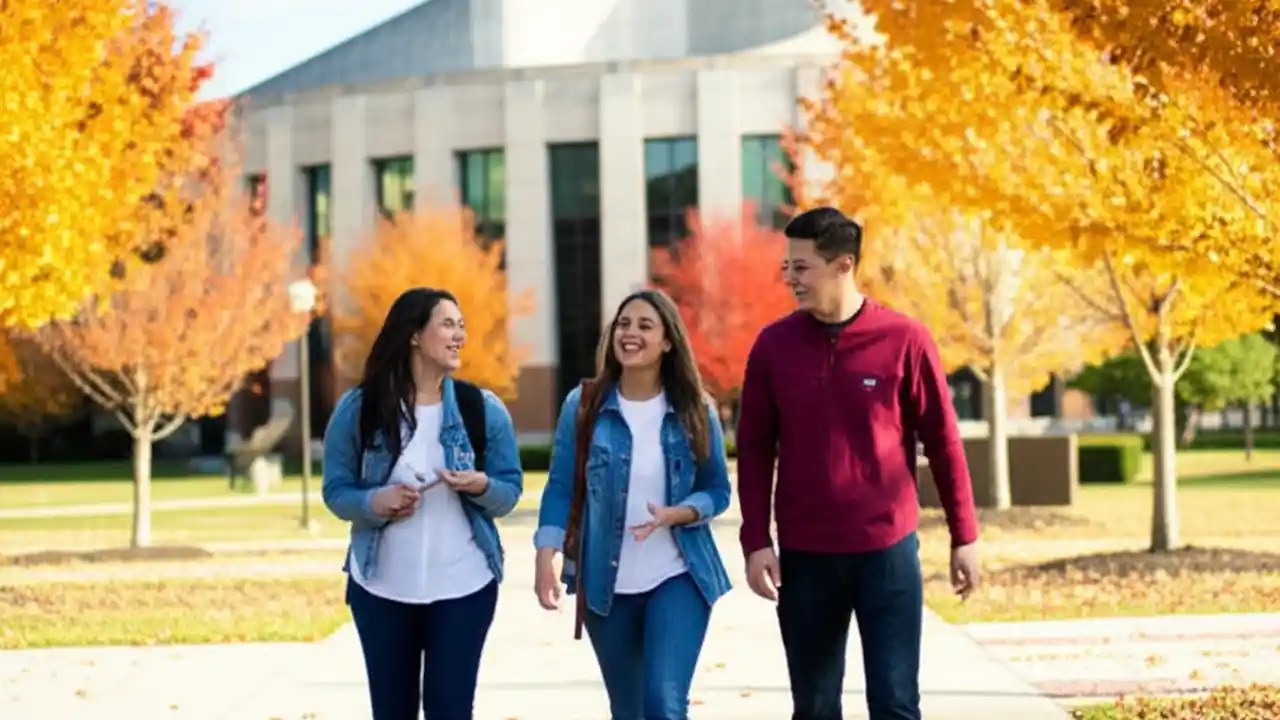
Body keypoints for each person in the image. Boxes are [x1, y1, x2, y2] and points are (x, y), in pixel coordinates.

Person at [736, 207, 981, 720]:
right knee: (816, 707)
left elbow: (943, 441)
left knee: (894, 703)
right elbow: (755, 448)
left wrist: (965, 536)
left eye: (801, 267)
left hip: (886, 554)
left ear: (843, 265)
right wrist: (756, 540)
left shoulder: (904, 340)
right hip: (804, 558)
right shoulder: (772, 347)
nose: (790, 279)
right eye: (788, 266)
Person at [321, 287, 524, 720]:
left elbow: (509, 492)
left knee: (450, 711)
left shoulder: (481, 409)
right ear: (414, 335)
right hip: (381, 588)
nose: (459, 335)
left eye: (461, 325)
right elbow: (336, 491)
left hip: (464, 587)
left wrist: (479, 484)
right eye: (448, 324)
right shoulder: (361, 409)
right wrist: (377, 500)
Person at [532, 288, 733, 720]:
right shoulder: (584, 405)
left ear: (667, 341)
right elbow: (561, 485)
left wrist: (682, 512)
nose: (630, 333)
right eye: (624, 324)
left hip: (679, 574)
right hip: (607, 586)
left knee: (663, 702)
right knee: (629, 710)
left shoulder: (694, 408)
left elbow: (717, 489)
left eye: (645, 325)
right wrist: (545, 553)